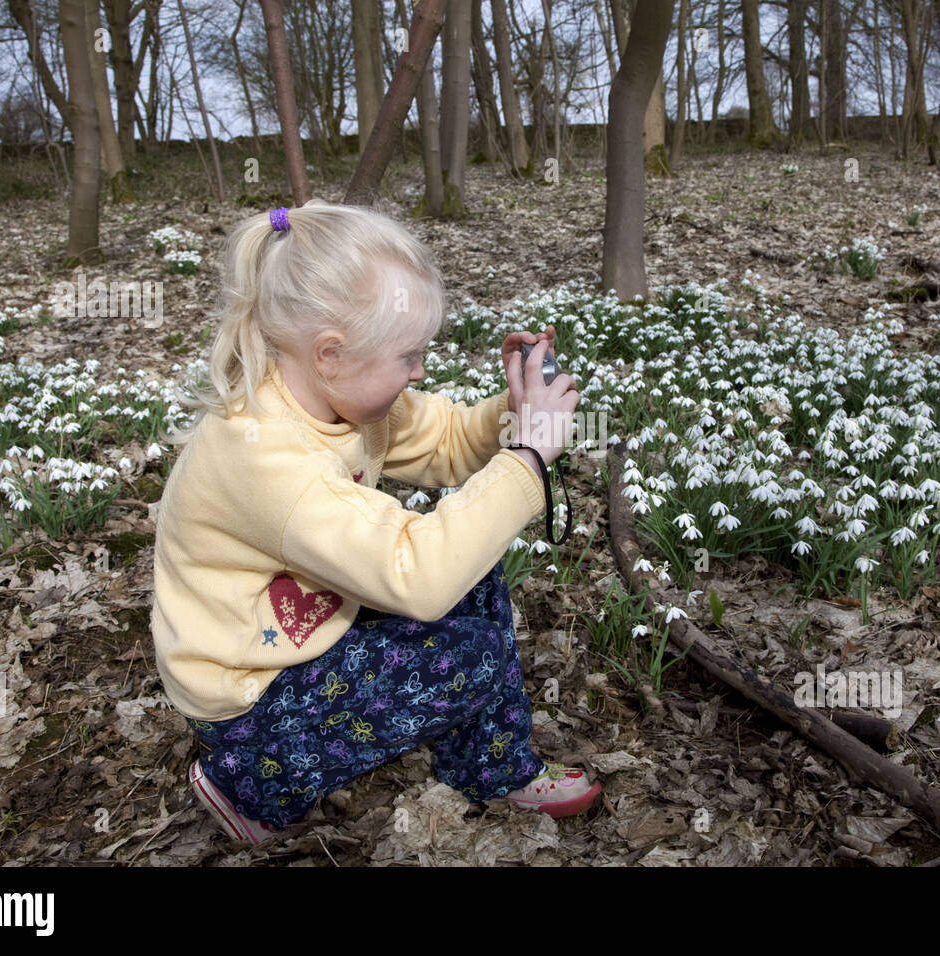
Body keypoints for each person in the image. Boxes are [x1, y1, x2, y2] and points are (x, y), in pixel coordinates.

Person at [151, 200, 602, 846]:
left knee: (473, 572)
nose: (419, 371)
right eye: (408, 356)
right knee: (465, 656)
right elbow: (415, 575)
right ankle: (250, 781)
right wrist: (528, 456)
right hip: (249, 692)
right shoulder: (267, 459)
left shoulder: (342, 397)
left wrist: (514, 407)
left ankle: (493, 767)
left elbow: (446, 438)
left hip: (302, 628)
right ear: (330, 354)